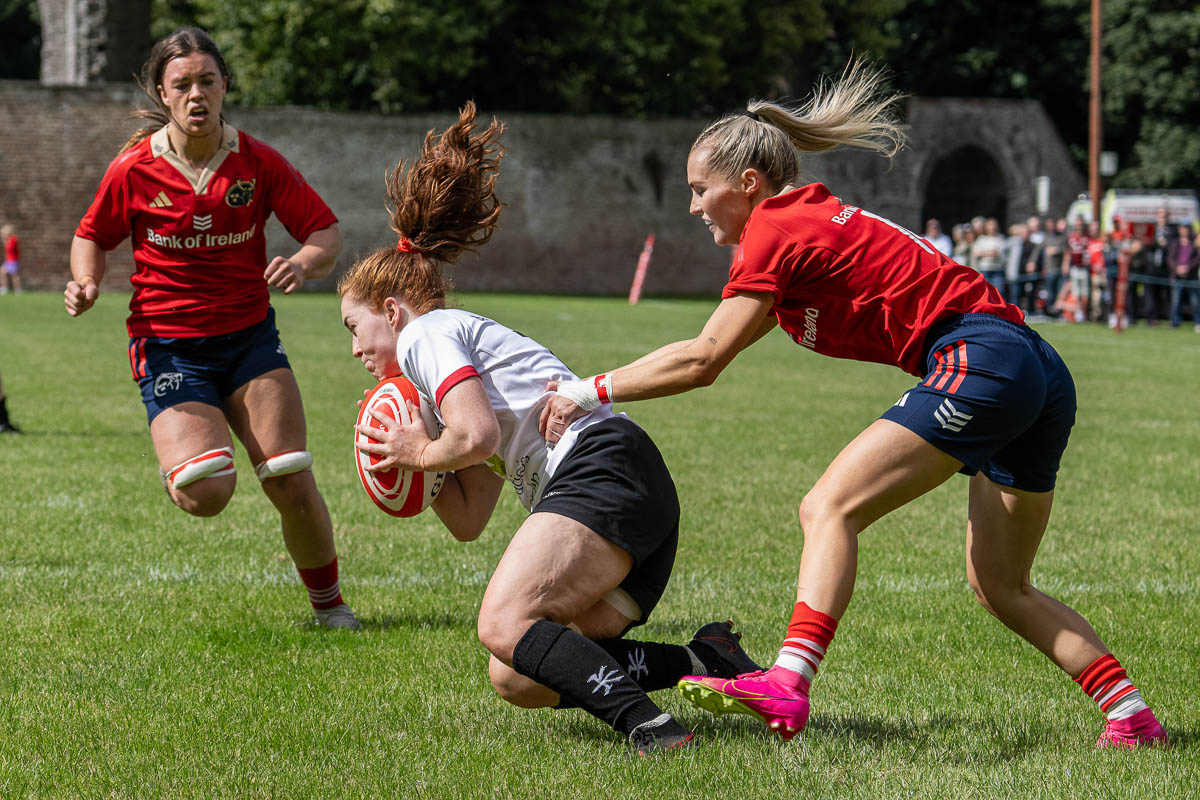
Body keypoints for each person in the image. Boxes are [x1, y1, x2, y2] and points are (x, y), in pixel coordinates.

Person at [541, 61, 1167, 749]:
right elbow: (708, 353)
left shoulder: (773, 232)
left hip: (981, 357)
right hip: (1031, 365)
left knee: (828, 506)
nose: (693, 207)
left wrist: (583, 390)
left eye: (700, 190)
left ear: (748, 186)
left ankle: (786, 681)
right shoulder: (797, 225)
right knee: (1001, 584)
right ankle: (1131, 715)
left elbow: (701, 359)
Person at [338, 103, 761, 755]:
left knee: (505, 621)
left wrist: (418, 449)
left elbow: (474, 437)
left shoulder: (425, 333)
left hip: (603, 470)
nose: (356, 349)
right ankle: (705, 657)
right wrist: (412, 469)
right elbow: (469, 516)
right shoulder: (440, 379)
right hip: (633, 497)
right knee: (516, 673)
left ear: (390, 311)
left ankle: (653, 730)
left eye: (354, 328)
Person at [63, 27, 359, 629]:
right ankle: (184, 456)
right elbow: (91, 234)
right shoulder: (134, 168)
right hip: (169, 347)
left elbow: (325, 233)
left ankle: (331, 610)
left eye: (207, 81)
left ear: (225, 86)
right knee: (206, 490)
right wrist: (86, 281)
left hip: (250, 340)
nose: (196, 95)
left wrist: (303, 261)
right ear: (161, 93)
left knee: (288, 474)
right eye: (182, 85)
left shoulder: (258, 162)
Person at [1166, 224, 1200, 330]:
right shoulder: (1175, 243)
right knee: (1176, 301)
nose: (1184, 230)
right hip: (1176, 276)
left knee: (1195, 301)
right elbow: (1170, 259)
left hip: (1190, 276)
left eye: (1186, 228)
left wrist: (1187, 267)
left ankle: (1198, 322)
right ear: (1180, 230)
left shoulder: (1193, 243)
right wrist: (1177, 268)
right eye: (1183, 228)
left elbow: (1197, 258)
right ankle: (1175, 322)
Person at [1, 224, 21, 295]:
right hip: (8, 260)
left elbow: (10, 248)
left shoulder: (13, 239)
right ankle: (4, 288)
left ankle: (18, 290)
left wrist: (5, 242)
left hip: (13, 261)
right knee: (2, 272)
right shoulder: (9, 240)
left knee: (14, 275)